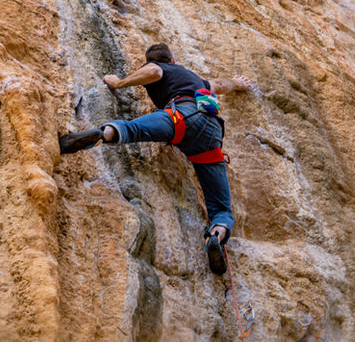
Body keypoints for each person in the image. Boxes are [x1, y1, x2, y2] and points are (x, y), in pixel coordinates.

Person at [58, 42, 251, 274]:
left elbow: (153, 72)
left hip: (179, 117)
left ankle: (102, 133)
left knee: (132, 129)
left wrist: (119, 83)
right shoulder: (192, 77)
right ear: (173, 58)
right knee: (221, 208)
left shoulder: (161, 68)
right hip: (210, 135)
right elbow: (220, 84)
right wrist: (238, 83)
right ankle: (216, 237)